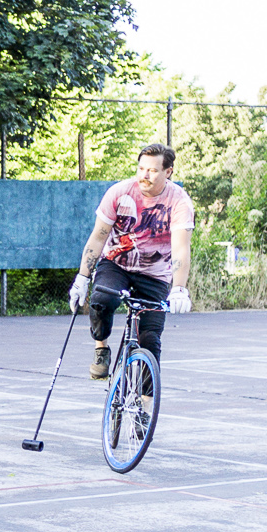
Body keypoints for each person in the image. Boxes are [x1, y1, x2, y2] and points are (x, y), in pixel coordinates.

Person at [71, 141, 194, 378]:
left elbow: (180, 249)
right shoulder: (120, 193)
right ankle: (101, 348)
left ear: (168, 172)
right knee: (102, 299)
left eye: (153, 170)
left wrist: (179, 288)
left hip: (155, 273)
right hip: (117, 264)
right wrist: (82, 278)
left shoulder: (179, 202)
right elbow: (98, 237)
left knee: (150, 339)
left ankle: (147, 408)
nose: (144, 175)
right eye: (141, 168)